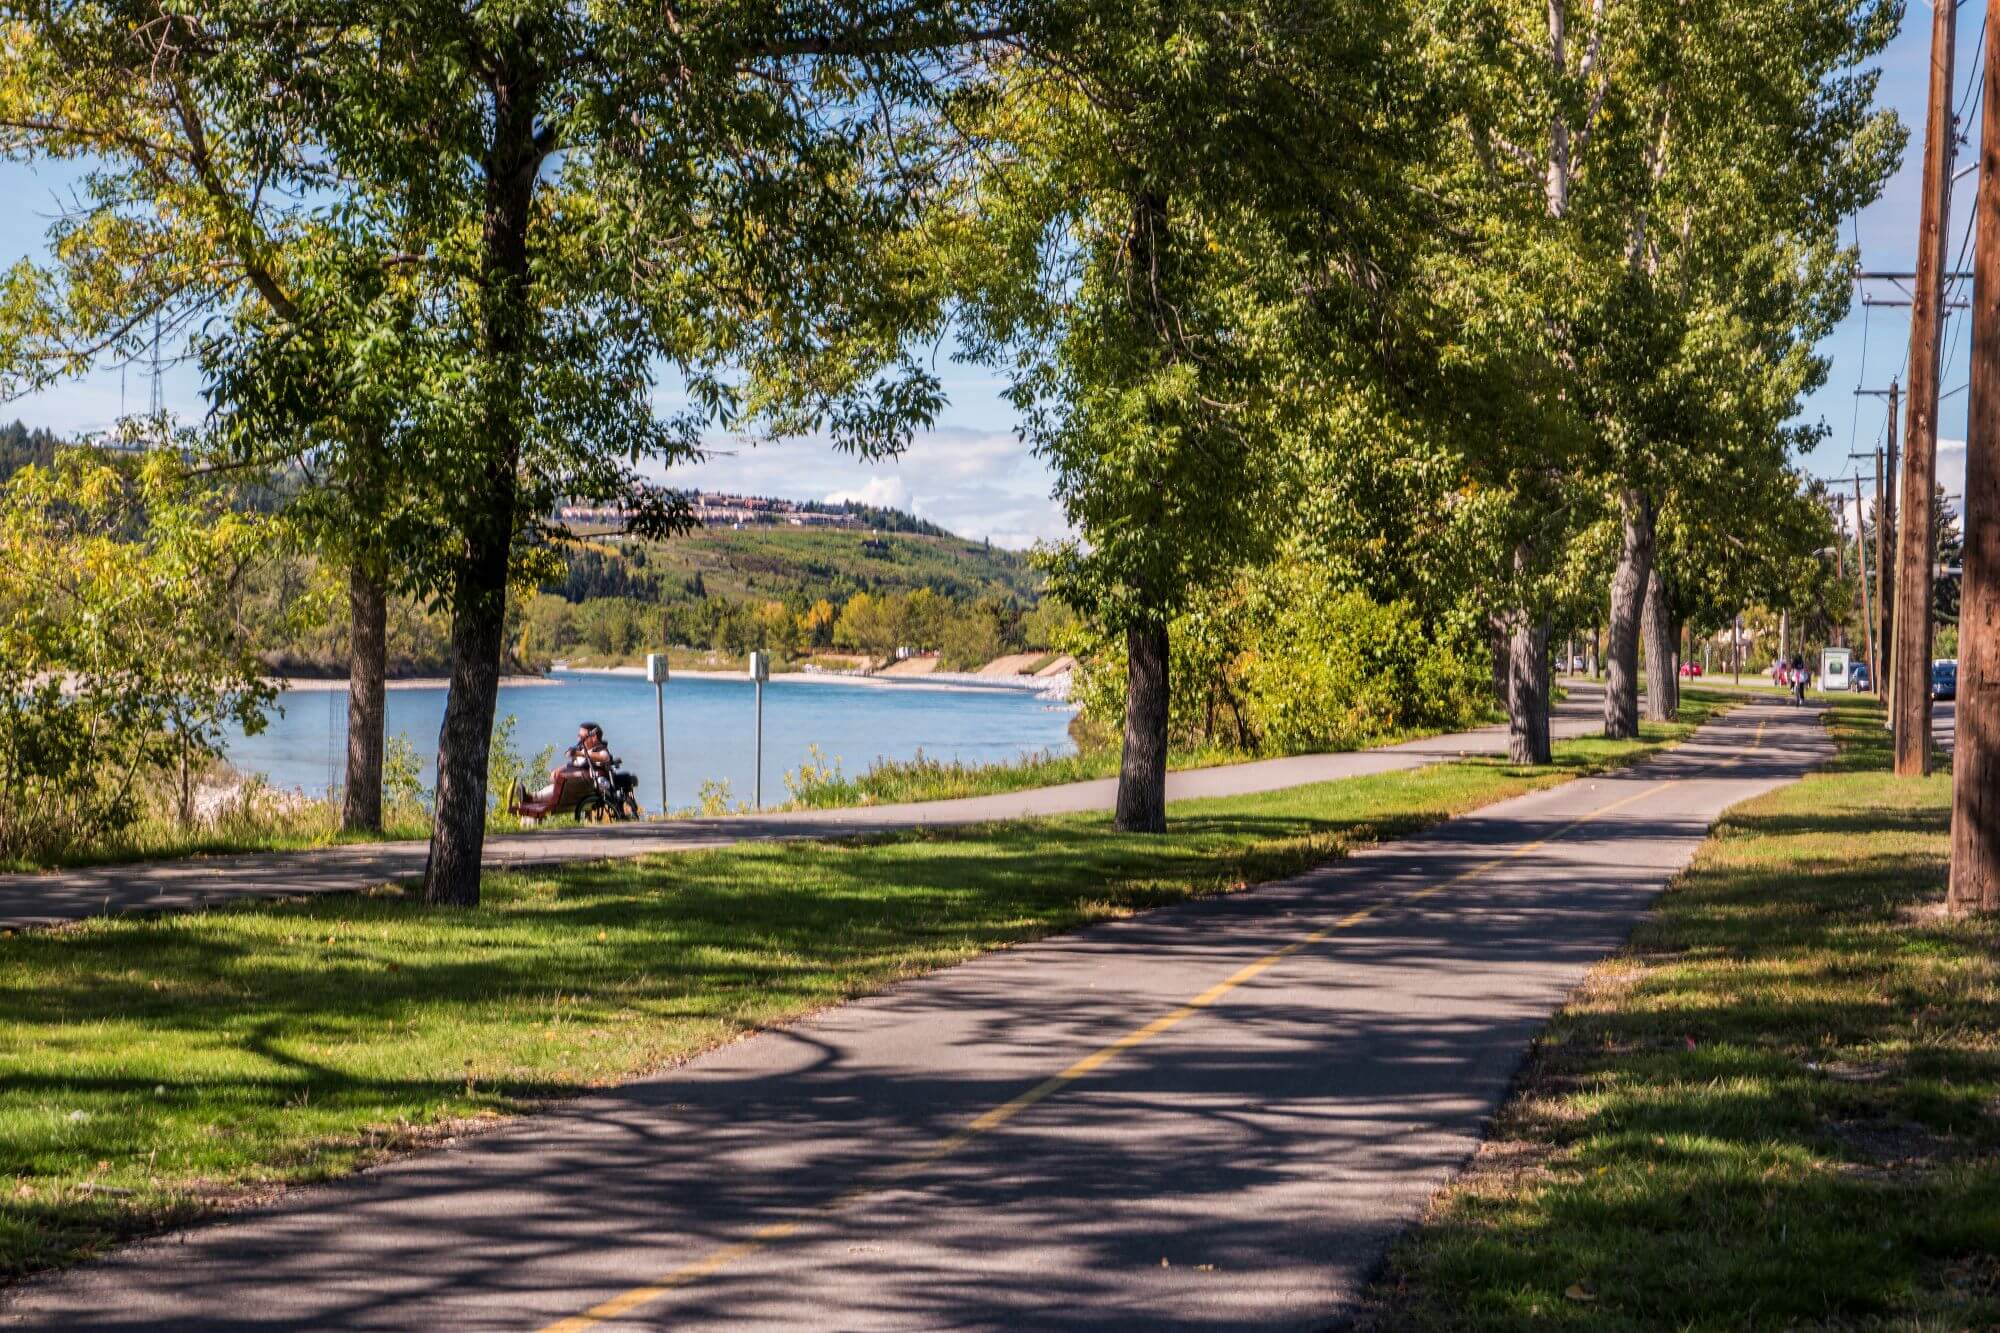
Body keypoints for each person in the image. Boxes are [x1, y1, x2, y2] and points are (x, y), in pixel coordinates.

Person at [512, 722, 611, 815]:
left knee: (559, 787)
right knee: (556, 783)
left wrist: (580, 753)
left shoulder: (599, 749)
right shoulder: (584, 749)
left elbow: (605, 757)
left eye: (581, 737)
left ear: (594, 737)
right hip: (574, 788)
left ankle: (531, 798)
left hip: (579, 788)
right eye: (578, 736)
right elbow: (577, 764)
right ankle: (532, 797)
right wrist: (562, 768)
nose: (578, 740)